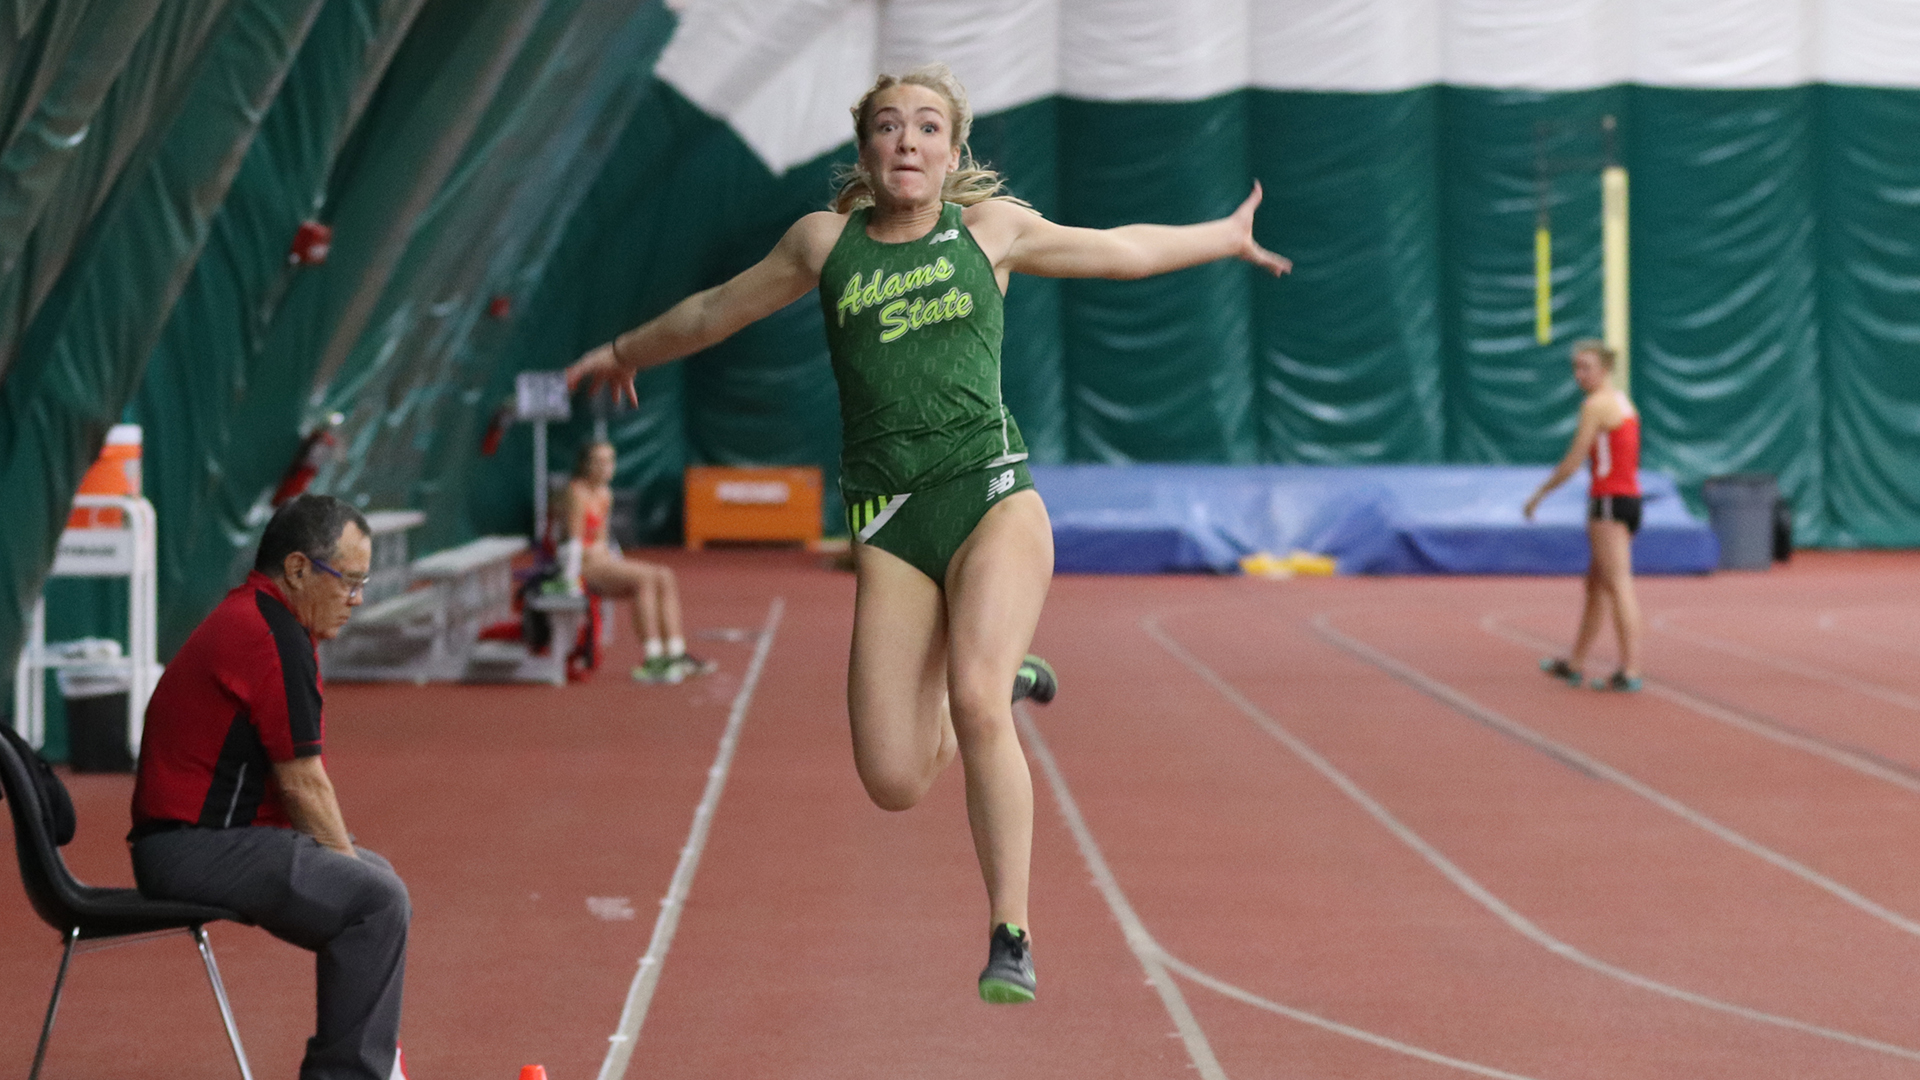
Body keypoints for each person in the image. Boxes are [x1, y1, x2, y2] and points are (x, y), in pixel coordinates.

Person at [567, 63, 1291, 1003]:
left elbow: (1123, 250)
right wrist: (628, 351)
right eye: (888, 127)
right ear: (865, 151)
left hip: (992, 499)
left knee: (979, 701)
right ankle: (992, 680)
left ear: (953, 153)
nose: (907, 141)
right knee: (894, 778)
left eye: (926, 128)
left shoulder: (989, 230)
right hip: (890, 524)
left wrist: (1222, 237)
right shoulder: (823, 245)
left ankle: (1012, 933)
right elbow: (715, 309)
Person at [129, 494, 411, 1080]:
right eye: (349, 582)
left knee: (375, 880)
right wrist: (347, 869)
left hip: (196, 841)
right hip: (192, 848)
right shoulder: (270, 634)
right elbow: (304, 784)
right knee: (376, 900)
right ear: (299, 569)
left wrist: (351, 864)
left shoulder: (258, 616)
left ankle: (368, 1065)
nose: (356, 601)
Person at [1524, 339, 1644, 692]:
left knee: (1619, 584)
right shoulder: (1623, 401)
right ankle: (1575, 663)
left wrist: (1540, 494)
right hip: (1627, 501)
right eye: (1576, 367)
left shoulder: (1596, 405)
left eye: (1586, 367)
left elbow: (1574, 460)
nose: (1579, 374)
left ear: (1604, 370)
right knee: (1595, 584)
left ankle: (1631, 670)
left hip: (1608, 502)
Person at [563, 439, 716, 683]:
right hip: (584, 567)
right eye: (599, 461)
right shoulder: (575, 493)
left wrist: (616, 561)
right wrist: (570, 580)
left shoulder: (605, 493)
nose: (606, 467)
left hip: (604, 561)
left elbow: (604, 539)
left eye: (610, 461)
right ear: (585, 465)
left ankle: (675, 652)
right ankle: (653, 656)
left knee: (664, 574)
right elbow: (573, 543)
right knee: (643, 579)